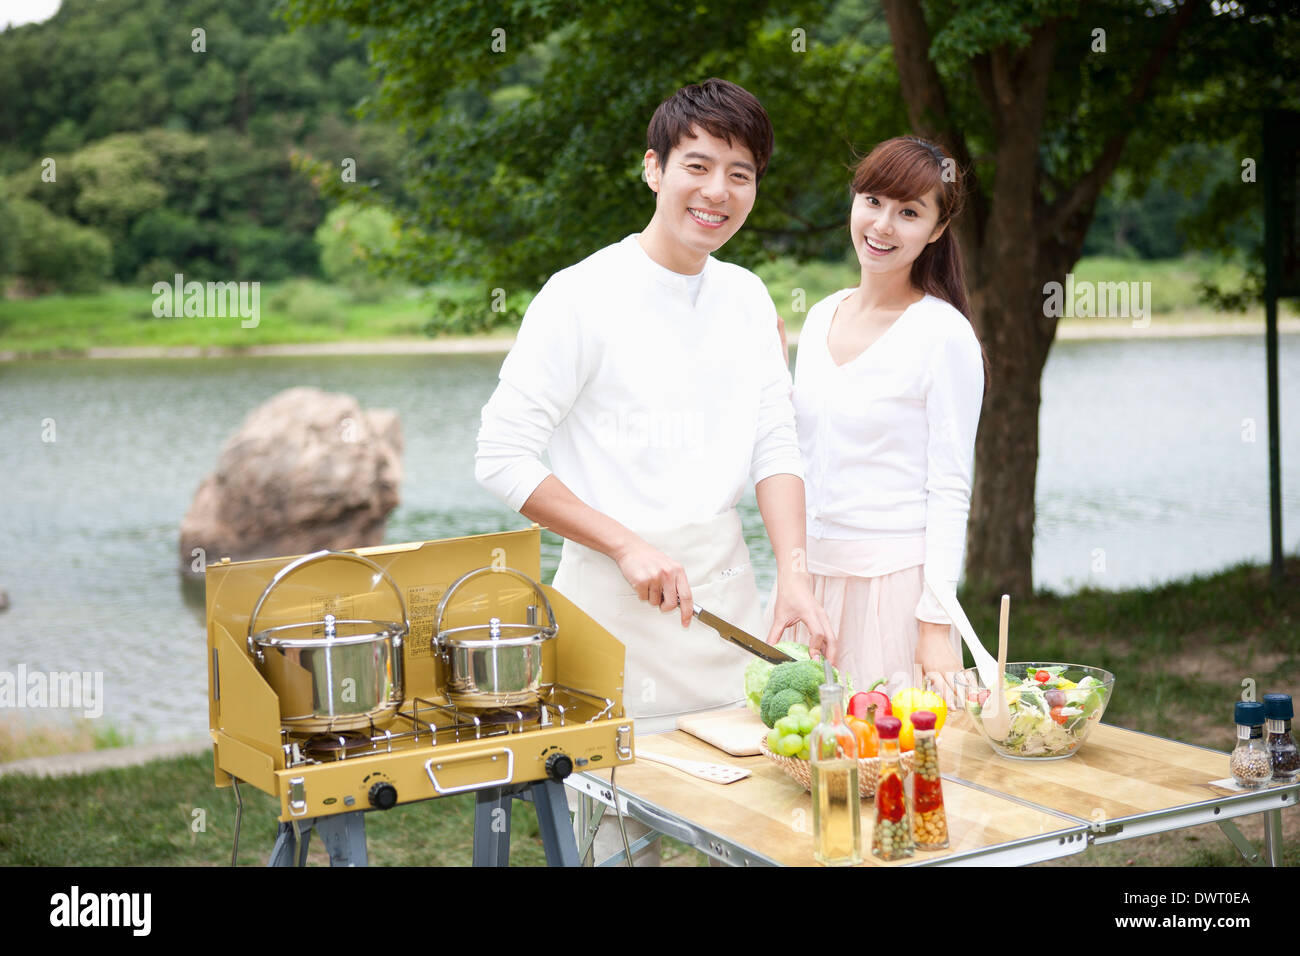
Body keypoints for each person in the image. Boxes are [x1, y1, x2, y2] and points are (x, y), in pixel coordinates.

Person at [475, 78, 835, 863]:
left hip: (726, 611)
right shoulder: (579, 296)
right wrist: (626, 544)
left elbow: (776, 444)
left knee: (764, 838)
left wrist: (796, 575)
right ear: (653, 169)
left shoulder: (745, 297)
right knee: (618, 848)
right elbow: (499, 453)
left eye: (740, 174)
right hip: (611, 616)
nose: (717, 191)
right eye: (697, 166)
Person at [765, 136, 986, 704]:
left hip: (897, 594)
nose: (883, 225)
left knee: (897, 774)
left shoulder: (943, 334)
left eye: (909, 212)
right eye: (873, 201)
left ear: (936, 230)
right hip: (809, 582)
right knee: (795, 762)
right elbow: (801, 450)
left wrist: (936, 622)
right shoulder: (819, 317)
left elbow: (950, 487)